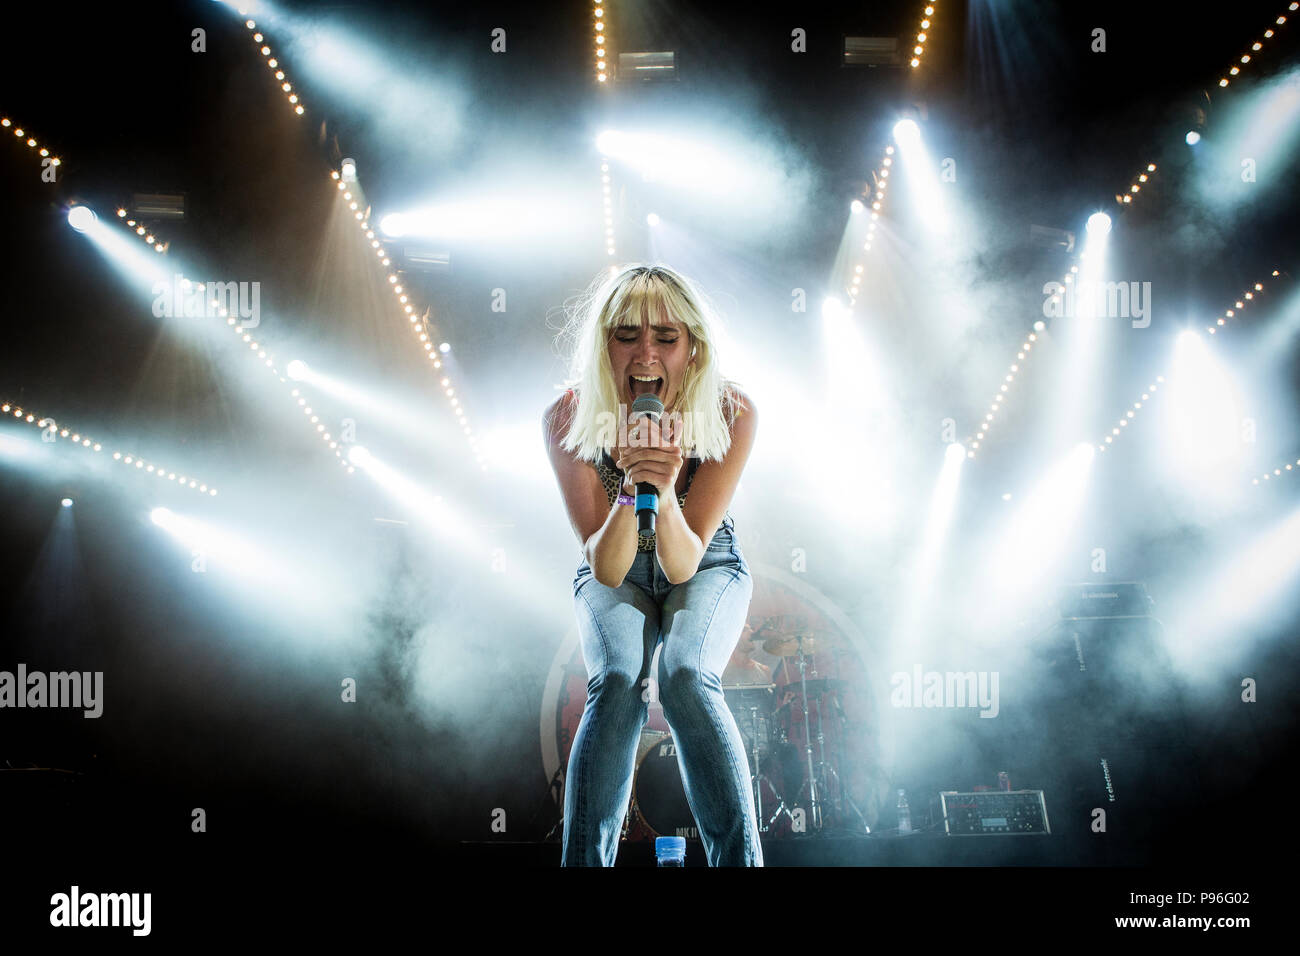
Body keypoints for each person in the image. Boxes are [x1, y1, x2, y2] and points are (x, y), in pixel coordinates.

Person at [542, 264, 762, 866]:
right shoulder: (567, 416)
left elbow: (686, 560)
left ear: (692, 349)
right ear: (602, 344)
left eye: (666, 338)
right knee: (615, 679)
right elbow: (607, 569)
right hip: (616, 561)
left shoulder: (731, 410)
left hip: (703, 558)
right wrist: (628, 488)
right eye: (626, 335)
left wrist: (663, 491)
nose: (645, 354)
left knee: (686, 674)